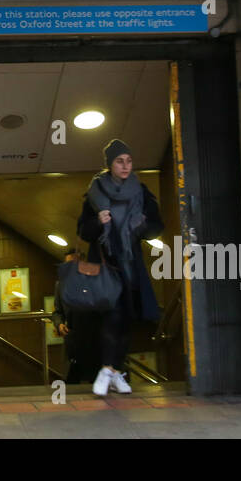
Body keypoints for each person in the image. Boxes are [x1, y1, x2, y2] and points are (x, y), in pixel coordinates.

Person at [77, 139, 163, 396]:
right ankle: (105, 369)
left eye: (129, 161)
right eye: (119, 161)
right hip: (105, 264)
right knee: (112, 316)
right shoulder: (96, 192)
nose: (125, 166)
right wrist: (96, 222)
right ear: (109, 164)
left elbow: (157, 226)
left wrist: (142, 227)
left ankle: (115, 372)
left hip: (131, 266)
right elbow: (83, 230)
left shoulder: (140, 191)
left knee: (127, 319)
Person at [51, 249, 98, 384]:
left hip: (93, 340)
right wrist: (59, 324)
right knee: (71, 382)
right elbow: (57, 312)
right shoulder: (60, 285)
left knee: (93, 382)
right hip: (72, 341)